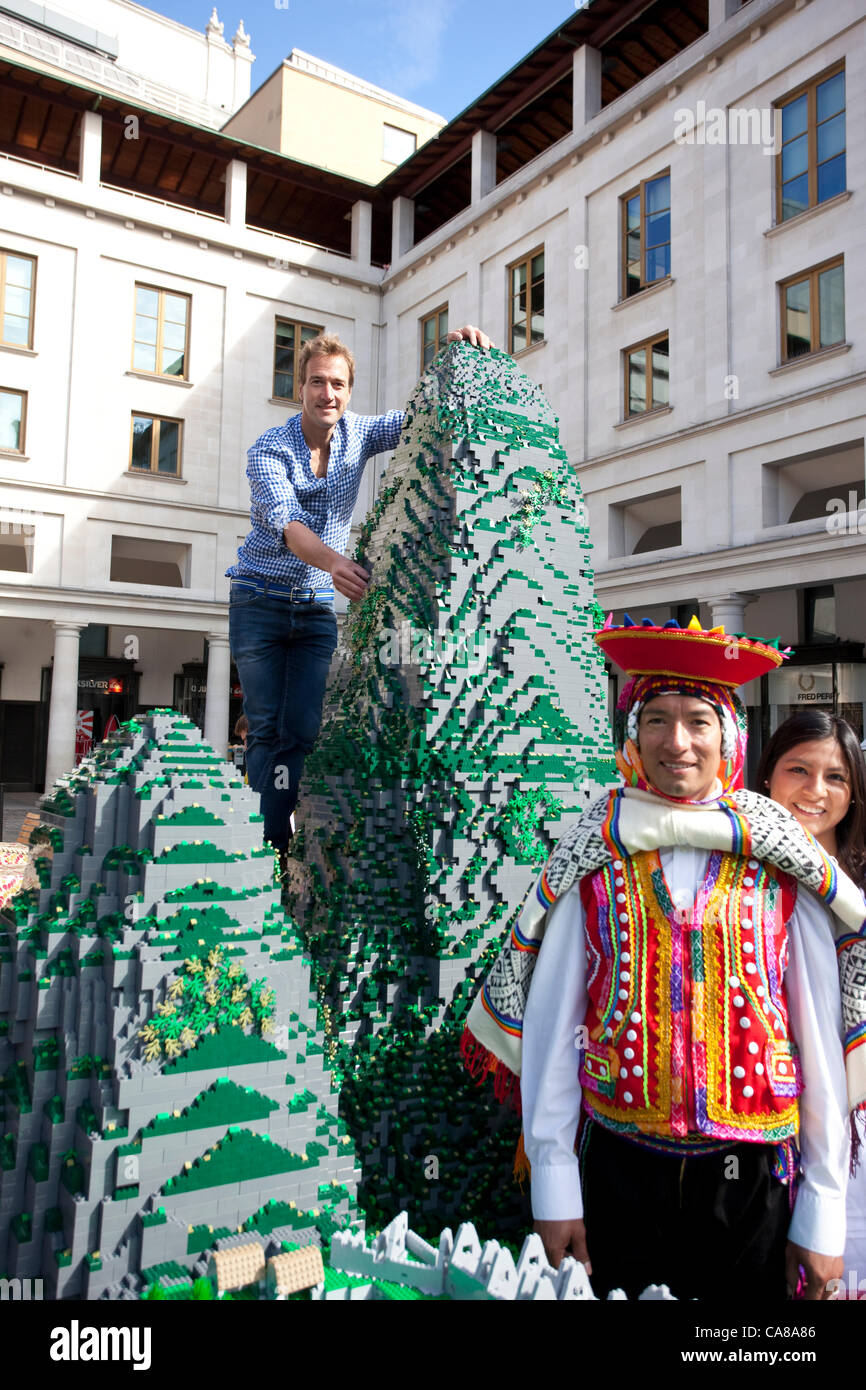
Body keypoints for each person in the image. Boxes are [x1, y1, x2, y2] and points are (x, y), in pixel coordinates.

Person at [462, 616, 866, 1302]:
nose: (676, 742)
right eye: (655, 719)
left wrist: (823, 1211)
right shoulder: (593, 854)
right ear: (632, 737)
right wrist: (556, 1187)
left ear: (728, 737)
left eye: (697, 722)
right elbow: (558, 1035)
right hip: (621, 1170)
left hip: (754, 1180)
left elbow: (820, 1049)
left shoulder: (781, 862)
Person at [227, 325, 491, 860]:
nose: (328, 394)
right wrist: (335, 563)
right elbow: (289, 525)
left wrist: (453, 351)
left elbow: (422, 414)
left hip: (316, 606)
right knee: (267, 729)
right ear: (299, 388)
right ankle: (266, 846)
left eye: (339, 385)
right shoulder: (269, 451)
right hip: (260, 600)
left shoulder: (360, 434)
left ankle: (286, 839)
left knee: (302, 728)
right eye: (318, 383)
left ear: (349, 392)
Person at [757, 710, 866, 1298]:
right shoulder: (740, 882)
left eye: (837, 777)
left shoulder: (857, 895)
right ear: (766, 775)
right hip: (767, 1126)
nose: (816, 792)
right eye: (798, 769)